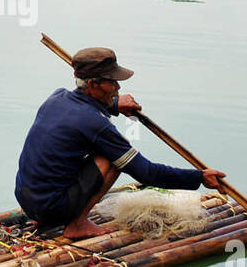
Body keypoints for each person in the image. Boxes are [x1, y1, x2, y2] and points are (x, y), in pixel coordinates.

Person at [14, 47, 225, 239]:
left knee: (77, 153)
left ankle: (49, 215)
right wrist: (199, 177)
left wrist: (113, 104)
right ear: (93, 84)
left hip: (28, 202)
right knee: (113, 159)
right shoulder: (96, 124)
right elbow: (147, 173)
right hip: (51, 208)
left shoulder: (57, 97)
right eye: (112, 82)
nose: (118, 87)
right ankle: (77, 225)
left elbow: (84, 108)